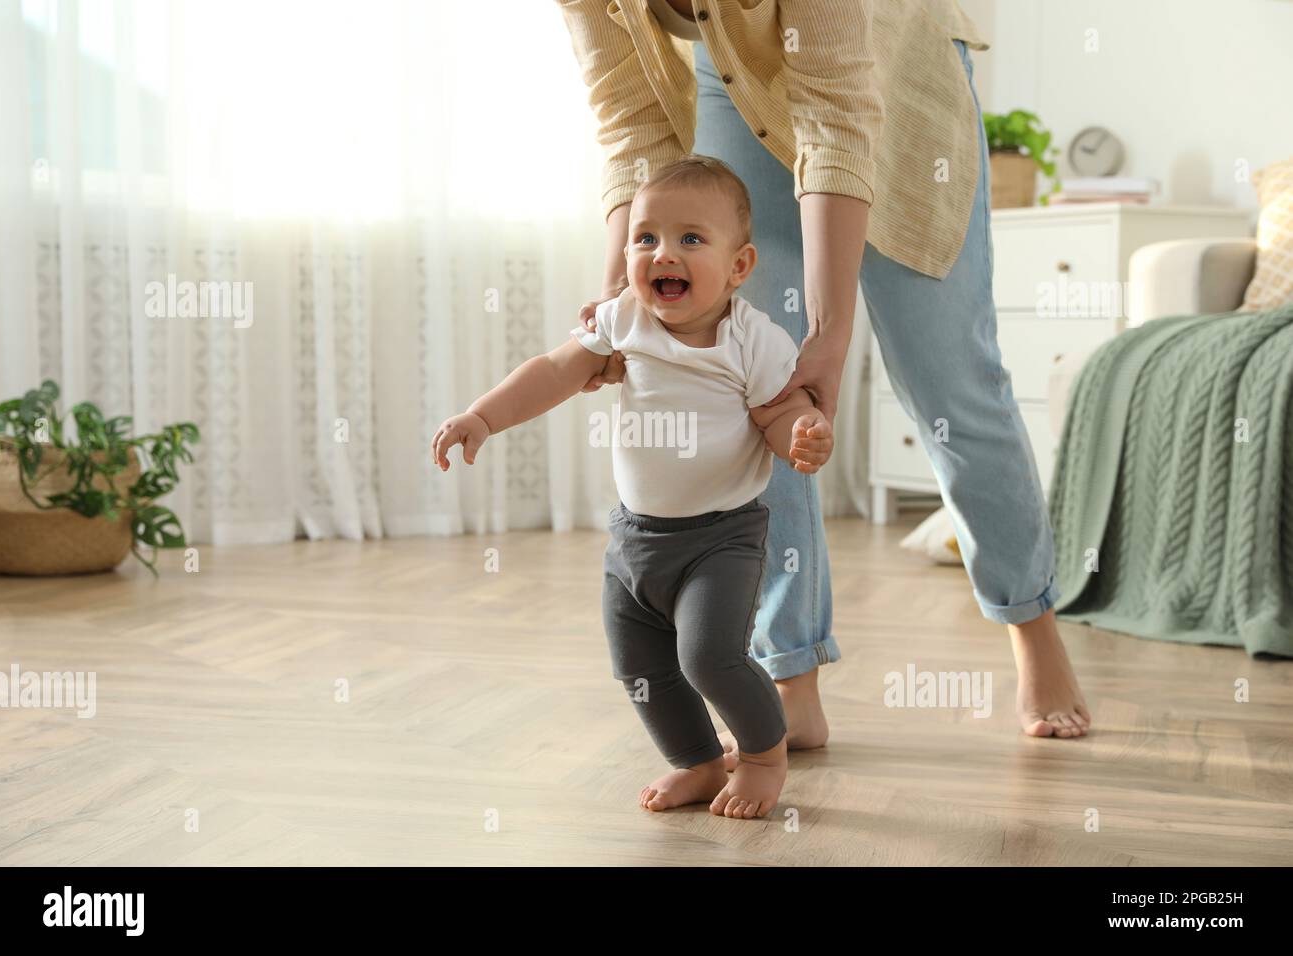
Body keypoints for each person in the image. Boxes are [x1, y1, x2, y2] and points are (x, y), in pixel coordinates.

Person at [557, 0, 1092, 740]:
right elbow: (632, 124)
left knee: (951, 384)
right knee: (755, 389)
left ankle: (1031, 624)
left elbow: (836, 117)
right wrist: (621, 300)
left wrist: (831, 332)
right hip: (722, 82)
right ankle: (792, 676)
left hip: (890, 75)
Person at [432, 155, 835, 817]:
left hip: (721, 538)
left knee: (709, 657)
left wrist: (802, 432)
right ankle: (699, 763)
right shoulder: (622, 318)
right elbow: (555, 371)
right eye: (645, 237)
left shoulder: (751, 341)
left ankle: (763, 754)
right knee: (641, 668)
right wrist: (483, 416)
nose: (662, 253)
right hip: (634, 539)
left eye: (690, 239)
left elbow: (776, 412)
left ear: (739, 267)